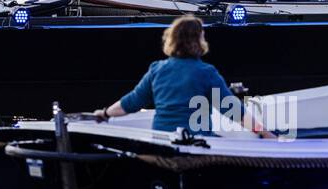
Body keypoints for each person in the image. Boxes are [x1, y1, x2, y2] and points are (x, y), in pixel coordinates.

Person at [92, 16, 272, 136]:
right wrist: (265, 133)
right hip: (195, 140)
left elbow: (131, 102)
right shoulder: (206, 72)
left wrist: (105, 113)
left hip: (161, 140)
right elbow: (233, 111)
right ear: (199, 40)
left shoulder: (157, 69)